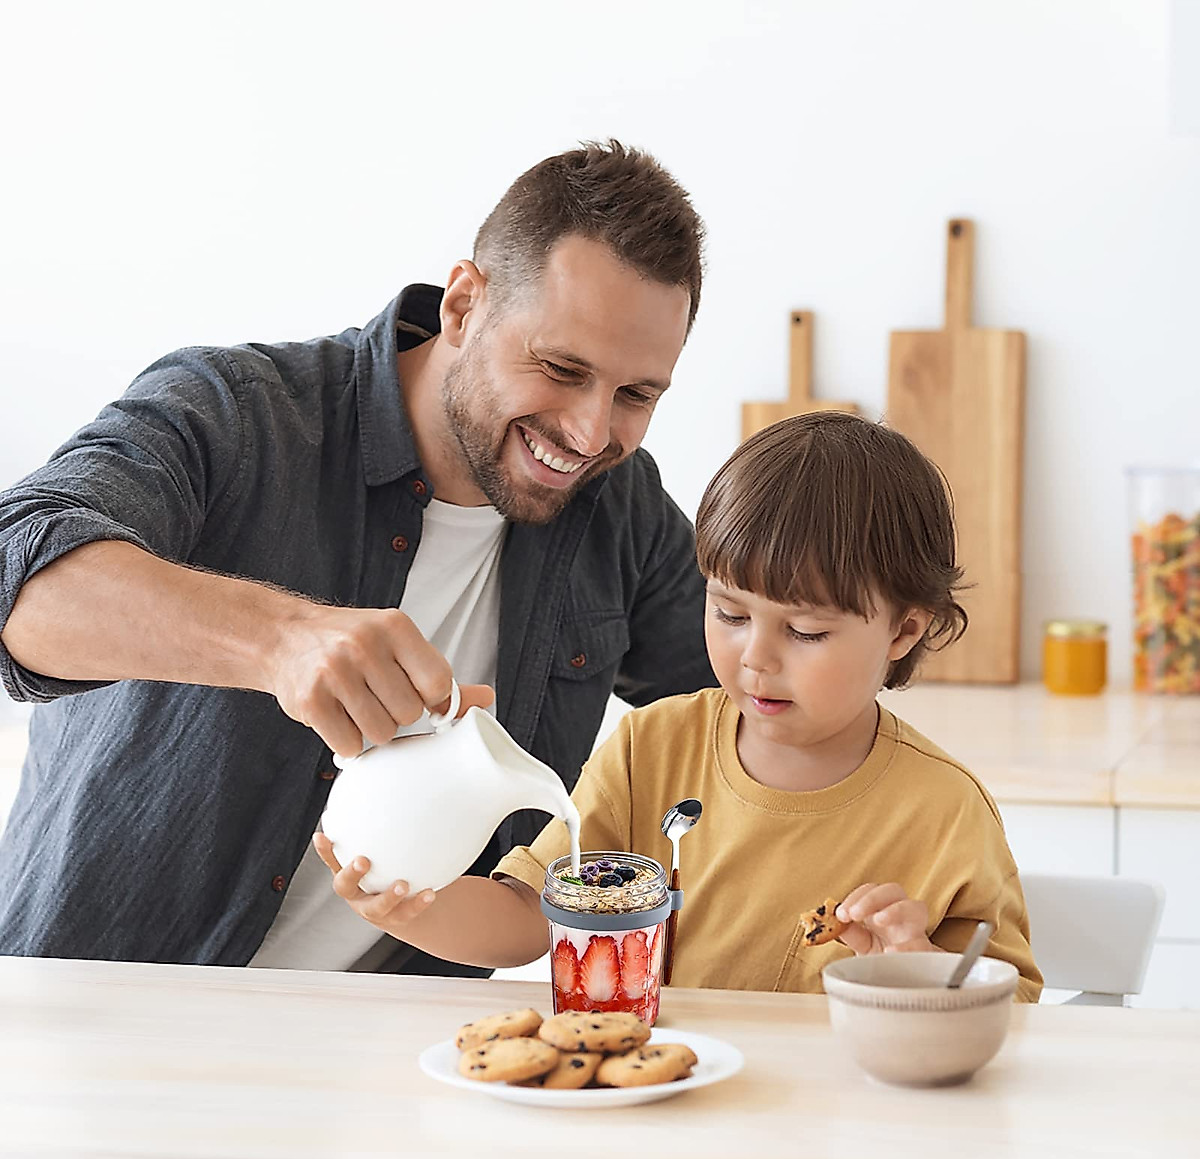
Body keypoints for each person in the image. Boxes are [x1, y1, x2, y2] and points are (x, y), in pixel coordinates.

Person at [0, 140, 717, 972]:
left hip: (394, 1070)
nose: (593, 434)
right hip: (104, 1030)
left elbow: (748, 708)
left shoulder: (619, 511)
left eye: (638, 395)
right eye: (561, 369)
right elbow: (18, 569)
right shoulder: (240, 413)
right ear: (464, 305)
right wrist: (281, 639)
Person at [314, 412, 1043, 1001]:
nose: (756, 657)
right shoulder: (653, 748)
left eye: (806, 631)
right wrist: (414, 907)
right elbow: (526, 915)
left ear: (904, 630)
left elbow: (1011, 1009)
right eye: (728, 613)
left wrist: (914, 969)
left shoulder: (944, 810)